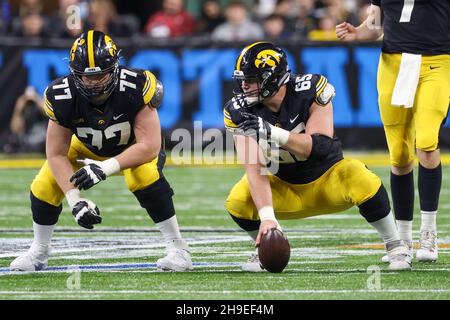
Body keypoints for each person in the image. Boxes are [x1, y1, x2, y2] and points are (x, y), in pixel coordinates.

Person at [10, 30, 193, 272]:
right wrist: (76, 201)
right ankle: (39, 250)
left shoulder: (136, 86)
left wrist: (105, 168)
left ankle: (178, 249)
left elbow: (149, 145)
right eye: (88, 77)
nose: (95, 82)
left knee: (144, 176)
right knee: (44, 183)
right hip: (86, 146)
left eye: (102, 75)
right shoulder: (61, 95)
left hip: (133, 146)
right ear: (76, 74)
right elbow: (56, 154)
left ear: (115, 69)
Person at [223, 41, 412, 272]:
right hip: (284, 187)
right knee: (237, 200)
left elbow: (320, 147)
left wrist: (273, 132)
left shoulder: (310, 89)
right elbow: (254, 168)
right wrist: (267, 217)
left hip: (327, 182)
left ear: (272, 78)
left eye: (251, 79)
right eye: (242, 79)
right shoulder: (238, 110)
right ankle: (265, 245)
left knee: (359, 176)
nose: (244, 86)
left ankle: (395, 245)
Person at [336, 1, 450, 263]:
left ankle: (429, 233)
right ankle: (403, 239)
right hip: (393, 64)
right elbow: (376, 25)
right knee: (399, 155)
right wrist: (357, 32)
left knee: (426, 142)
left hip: (438, 62)